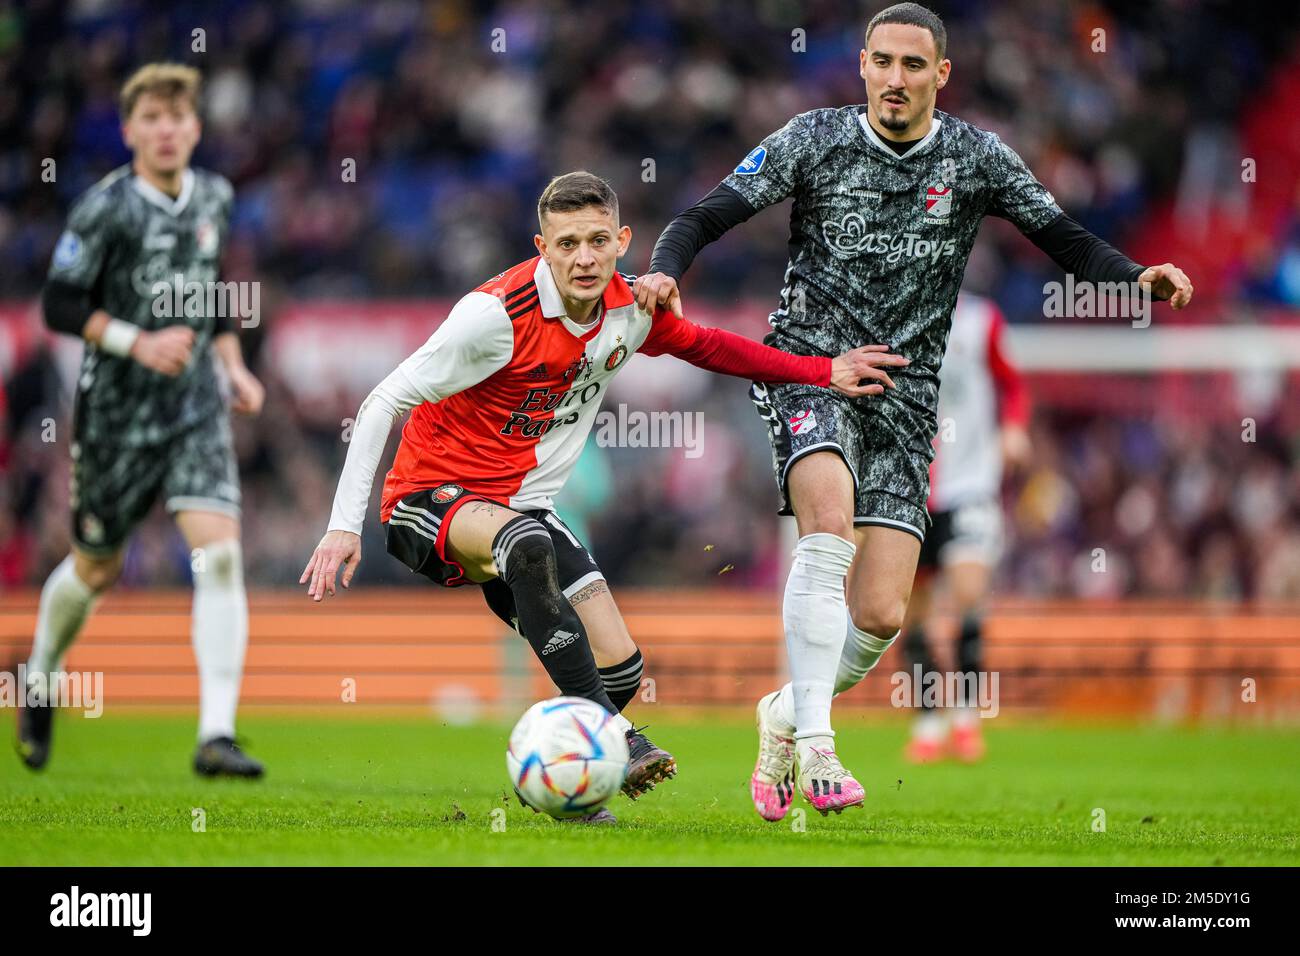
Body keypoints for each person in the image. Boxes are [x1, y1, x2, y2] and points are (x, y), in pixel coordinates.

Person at [635, 2, 1193, 818]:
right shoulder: (813, 139)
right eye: (882, 62)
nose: (895, 79)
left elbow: (1063, 236)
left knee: (884, 614)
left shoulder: (975, 158)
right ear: (863, 65)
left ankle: (785, 714)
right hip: (811, 371)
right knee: (826, 529)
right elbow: (702, 215)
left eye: (912, 65)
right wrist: (663, 270)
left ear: (941, 74)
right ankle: (820, 752)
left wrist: (1134, 274)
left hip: (907, 398)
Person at [300, 171, 906, 824]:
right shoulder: (494, 316)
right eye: (566, 244)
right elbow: (384, 399)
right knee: (524, 545)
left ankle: (570, 794)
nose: (583, 258)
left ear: (621, 241)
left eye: (596, 241)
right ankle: (622, 739)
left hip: (522, 506)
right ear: (543, 247)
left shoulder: (629, 314)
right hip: (427, 501)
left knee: (619, 672)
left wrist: (825, 371)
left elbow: (711, 348)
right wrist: (343, 526)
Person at [17, 63, 266, 777]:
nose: (165, 130)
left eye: (176, 118)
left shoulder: (215, 195)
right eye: (150, 119)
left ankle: (216, 733)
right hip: (116, 414)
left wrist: (232, 364)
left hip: (192, 407)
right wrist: (138, 340)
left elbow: (213, 288)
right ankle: (41, 674)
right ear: (129, 131)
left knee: (217, 553)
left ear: (194, 127)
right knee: (96, 568)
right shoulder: (104, 208)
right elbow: (59, 305)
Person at [903, 292, 1030, 764]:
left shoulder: (982, 320)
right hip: (908, 486)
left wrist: (1014, 427)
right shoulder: (893, 309)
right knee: (910, 614)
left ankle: (966, 716)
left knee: (969, 592)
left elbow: (1012, 383)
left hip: (971, 482)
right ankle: (926, 722)